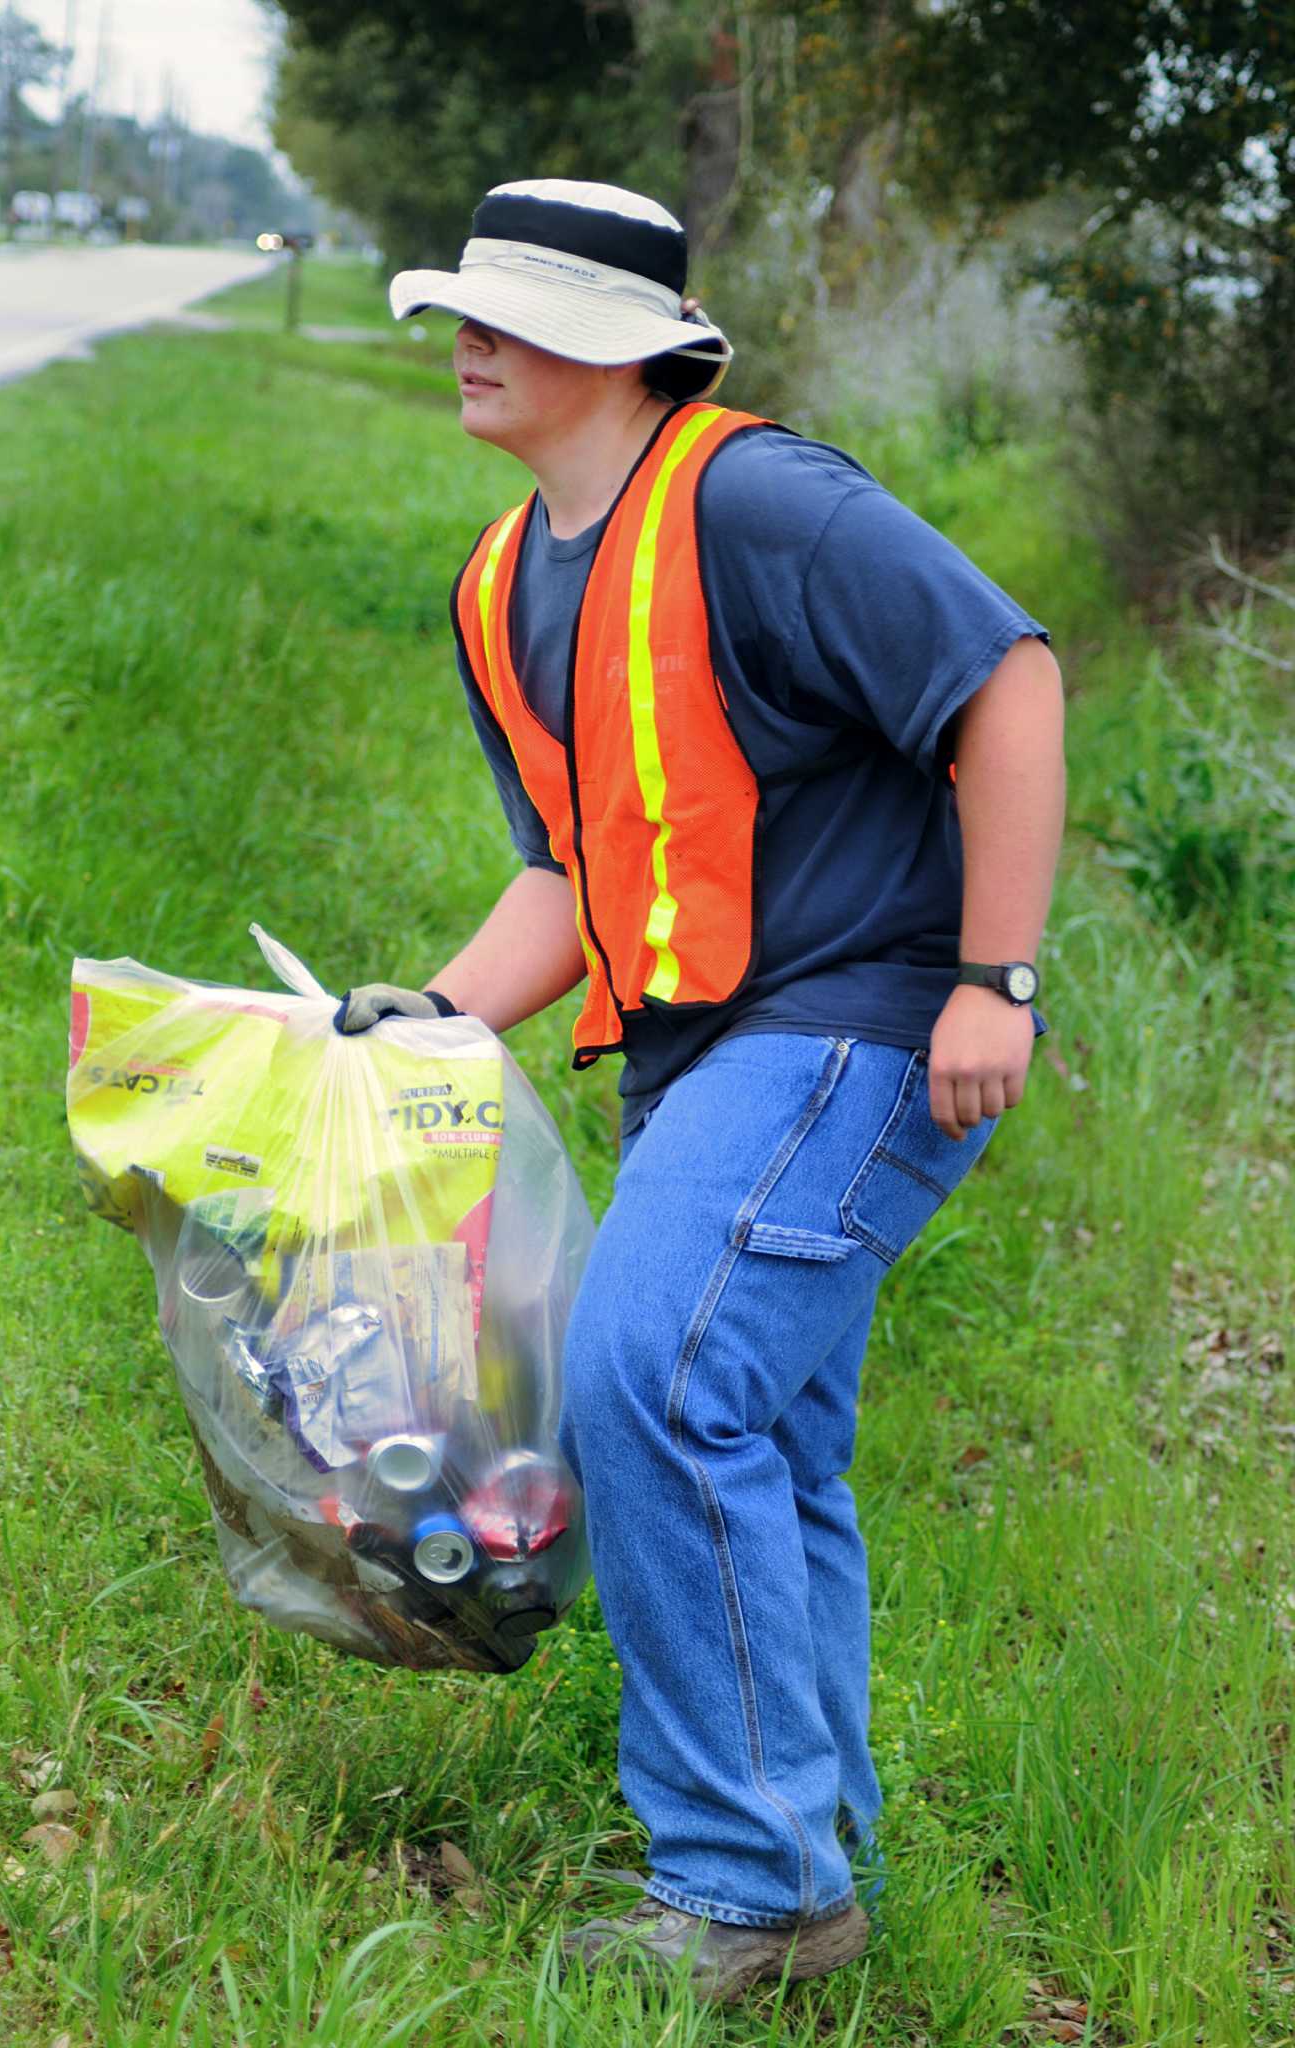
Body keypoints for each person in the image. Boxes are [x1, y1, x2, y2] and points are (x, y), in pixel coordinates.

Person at [335, 178, 1064, 2003]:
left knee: (651, 1375)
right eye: (459, 311)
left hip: (870, 1019)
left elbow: (1012, 681)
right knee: (767, 1446)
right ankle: (816, 1869)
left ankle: (748, 1885)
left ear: (615, 344)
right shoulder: (506, 579)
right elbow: (566, 881)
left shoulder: (763, 500)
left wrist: (1001, 976)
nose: (465, 341)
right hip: (711, 1050)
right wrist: (431, 1012)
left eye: (505, 314)